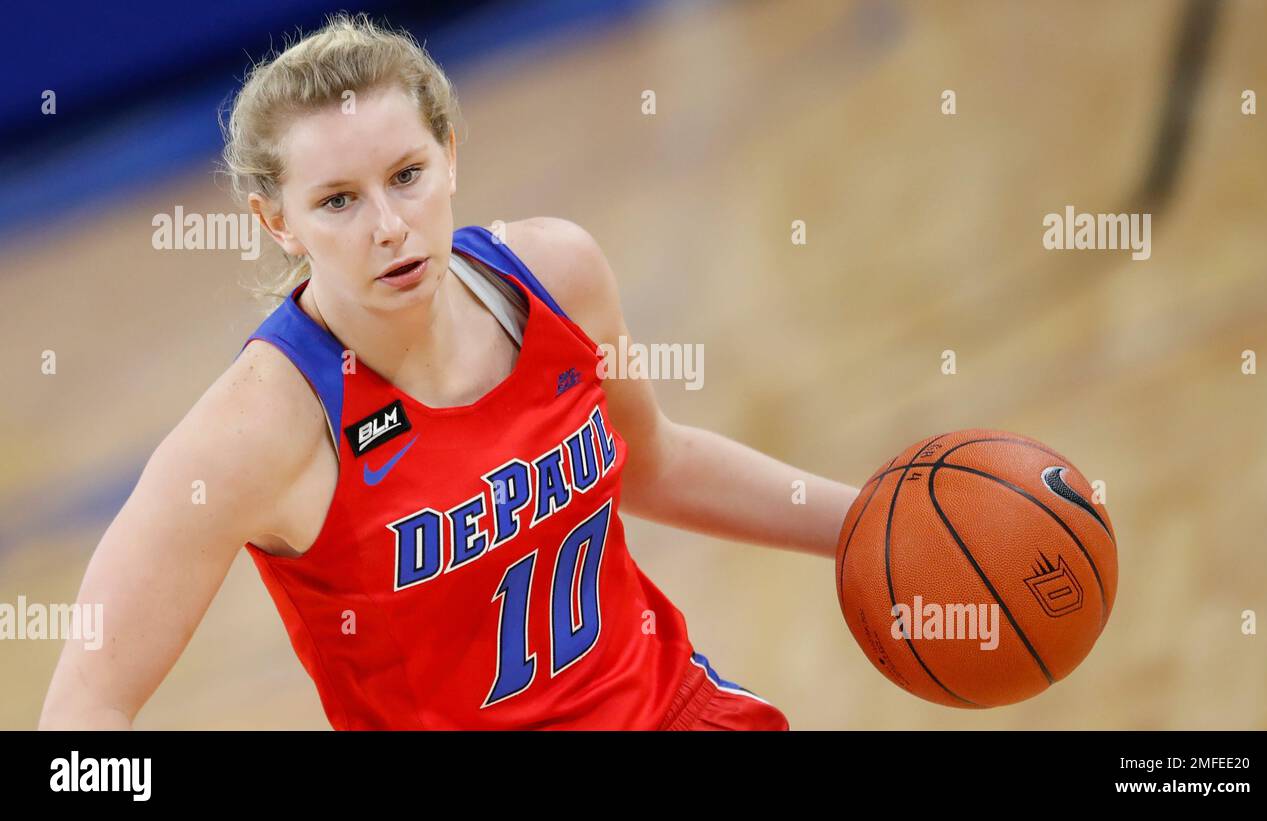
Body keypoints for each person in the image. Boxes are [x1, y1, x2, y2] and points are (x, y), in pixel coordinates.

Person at [39, 13, 858, 730]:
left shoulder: (556, 276)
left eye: (406, 176)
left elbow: (656, 462)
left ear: (451, 155)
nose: (390, 227)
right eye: (338, 201)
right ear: (277, 220)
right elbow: (82, 710)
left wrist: (869, 528)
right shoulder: (255, 432)